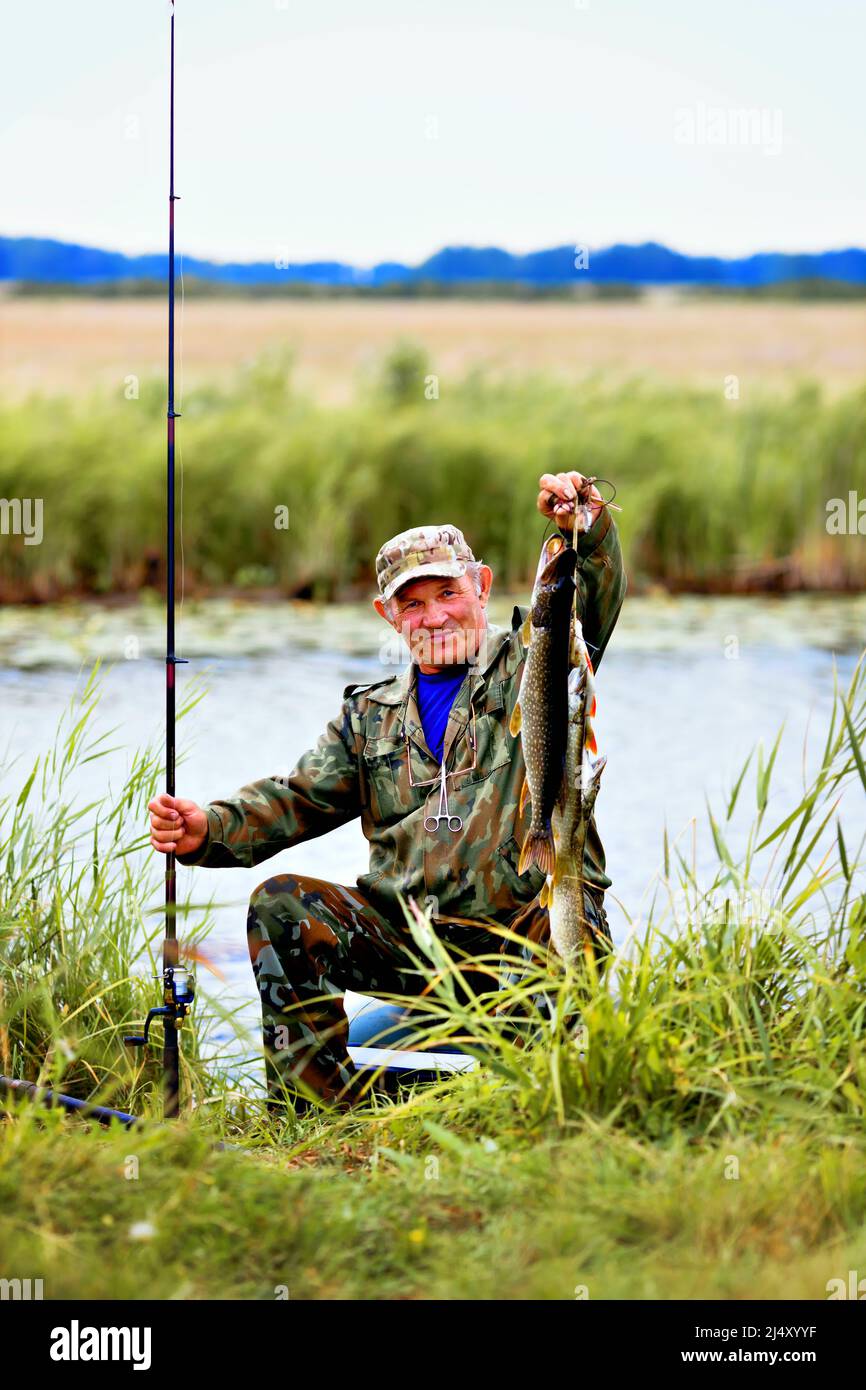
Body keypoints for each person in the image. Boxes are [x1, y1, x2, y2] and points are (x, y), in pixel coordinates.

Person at [148, 471, 627, 1112]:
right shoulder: (368, 716)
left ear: (481, 587)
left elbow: (585, 602)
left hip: (526, 934)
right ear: (388, 615)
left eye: (448, 593)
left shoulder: (537, 660)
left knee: (557, 996)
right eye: (412, 603)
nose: (434, 616)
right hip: (418, 947)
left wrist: (584, 526)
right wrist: (208, 827)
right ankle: (314, 1111)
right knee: (282, 906)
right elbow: (297, 799)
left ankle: (558, 1086)